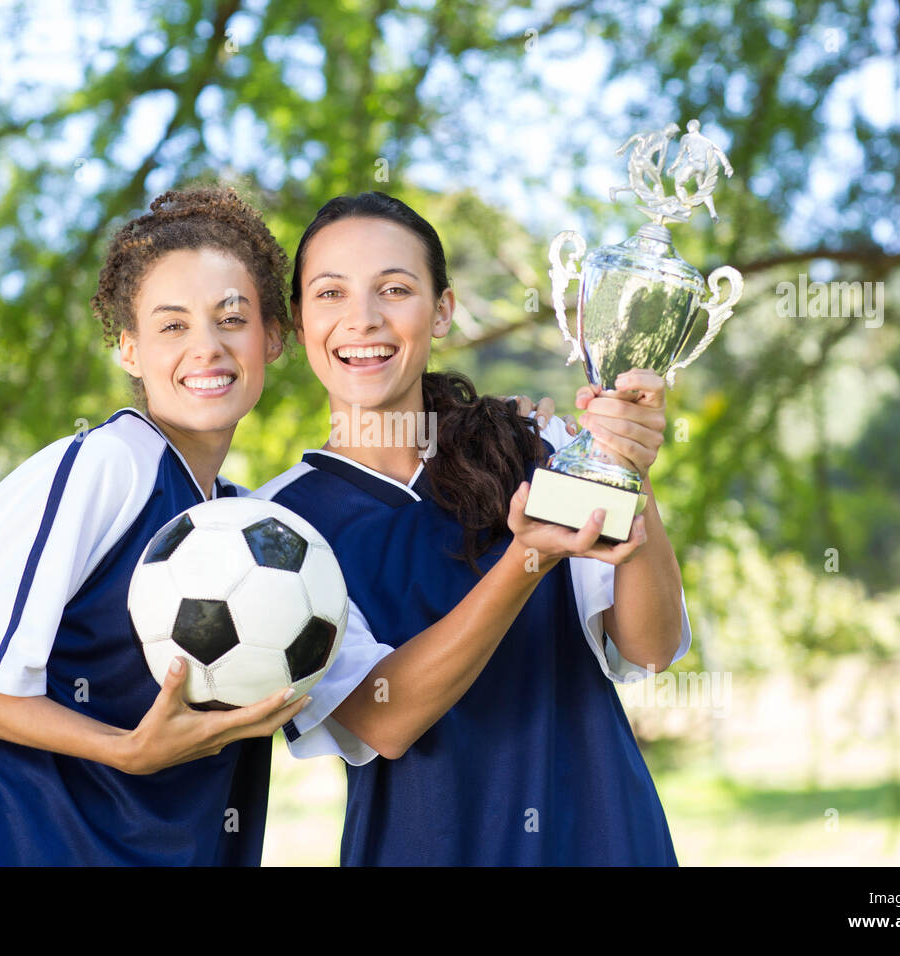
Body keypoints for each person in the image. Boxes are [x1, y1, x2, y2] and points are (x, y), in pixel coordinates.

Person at [0, 186, 372, 865]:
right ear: (129, 350)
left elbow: (386, 714)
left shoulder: (264, 538)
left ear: (274, 336)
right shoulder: (105, 465)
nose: (207, 347)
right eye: (171, 326)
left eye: (233, 317)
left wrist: (536, 528)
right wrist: (126, 752)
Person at [256, 192, 692, 865]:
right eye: (330, 293)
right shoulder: (275, 529)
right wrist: (525, 559)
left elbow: (651, 648)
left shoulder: (536, 447)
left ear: (443, 310)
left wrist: (627, 467)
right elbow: (387, 719)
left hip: (603, 840)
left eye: (395, 289)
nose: (362, 319)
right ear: (298, 320)